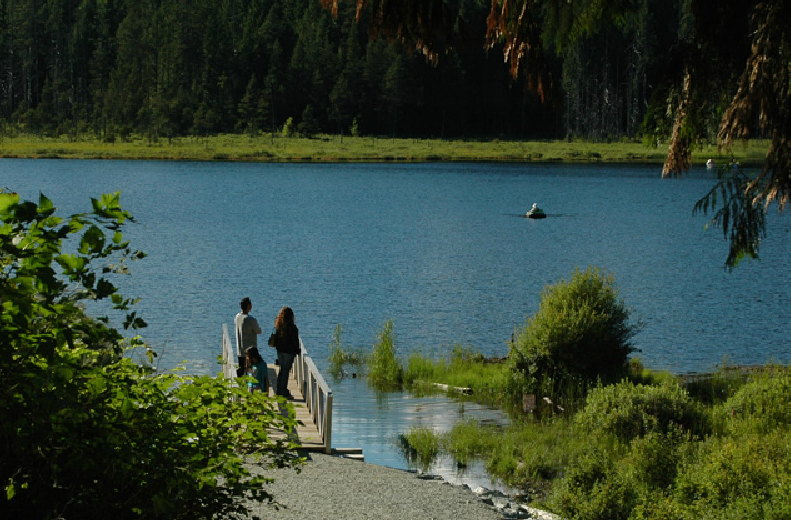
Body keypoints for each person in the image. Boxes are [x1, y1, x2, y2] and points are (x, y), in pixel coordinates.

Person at [268, 306, 301, 399]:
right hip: (288, 352)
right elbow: (295, 341)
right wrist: (298, 350)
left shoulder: (279, 327)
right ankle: (283, 392)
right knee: (285, 371)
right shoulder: (293, 328)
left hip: (280, 351)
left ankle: (279, 390)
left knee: (282, 371)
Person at [235, 297, 262, 373]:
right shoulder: (251, 319)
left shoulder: (237, 317)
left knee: (241, 369)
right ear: (249, 306)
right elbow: (258, 331)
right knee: (250, 371)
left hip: (240, 349)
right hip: (250, 351)